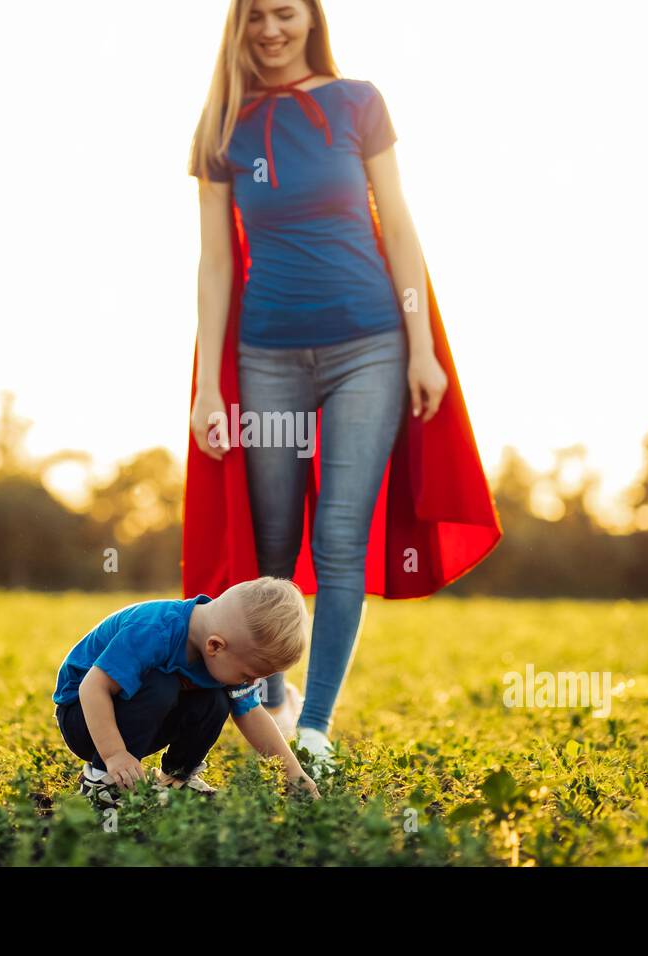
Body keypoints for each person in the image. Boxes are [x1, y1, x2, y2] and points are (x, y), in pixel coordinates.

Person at [184, 0, 504, 771]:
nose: (270, 29)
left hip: (370, 345)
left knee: (339, 538)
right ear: (239, 22)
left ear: (309, 17)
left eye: (284, 13)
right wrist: (208, 388)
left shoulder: (359, 101)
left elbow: (397, 223)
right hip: (266, 357)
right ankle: (272, 695)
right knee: (269, 546)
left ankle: (317, 726)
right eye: (256, 15)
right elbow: (217, 261)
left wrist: (422, 346)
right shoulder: (222, 125)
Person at [52, 576, 321, 807]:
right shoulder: (154, 629)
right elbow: (92, 688)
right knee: (162, 685)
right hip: (85, 718)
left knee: (215, 699)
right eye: (248, 675)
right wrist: (114, 755)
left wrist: (295, 776)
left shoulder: (226, 650)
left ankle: (176, 781)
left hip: (137, 722)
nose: (251, 683)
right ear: (215, 646)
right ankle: (100, 782)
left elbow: (251, 713)